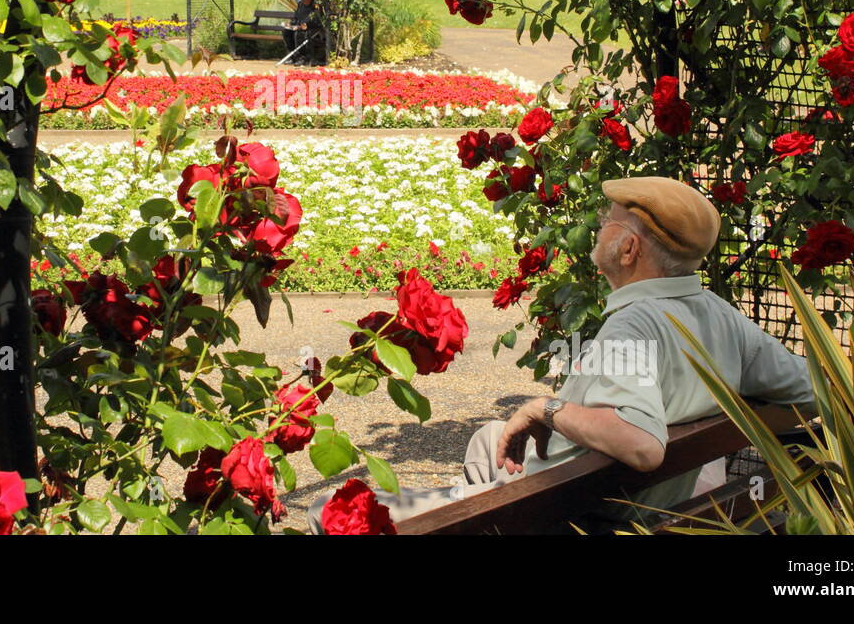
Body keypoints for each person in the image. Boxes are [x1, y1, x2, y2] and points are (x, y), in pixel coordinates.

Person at [309, 176, 817, 533]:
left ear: (628, 250)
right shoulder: (717, 314)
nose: (600, 227)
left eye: (609, 222)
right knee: (491, 441)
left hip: (579, 515)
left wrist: (544, 408)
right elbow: (819, 387)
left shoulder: (635, 325)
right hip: (646, 503)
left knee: (324, 509)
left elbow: (643, 447)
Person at [282, 0, 324, 65]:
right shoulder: (301, 4)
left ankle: (303, 57)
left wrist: (301, 26)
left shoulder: (315, 5)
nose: (304, 0)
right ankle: (294, 56)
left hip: (312, 27)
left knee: (299, 33)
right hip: (300, 26)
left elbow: (315, 19)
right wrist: (291, 24)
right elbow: (297, 16)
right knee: (286, 32)